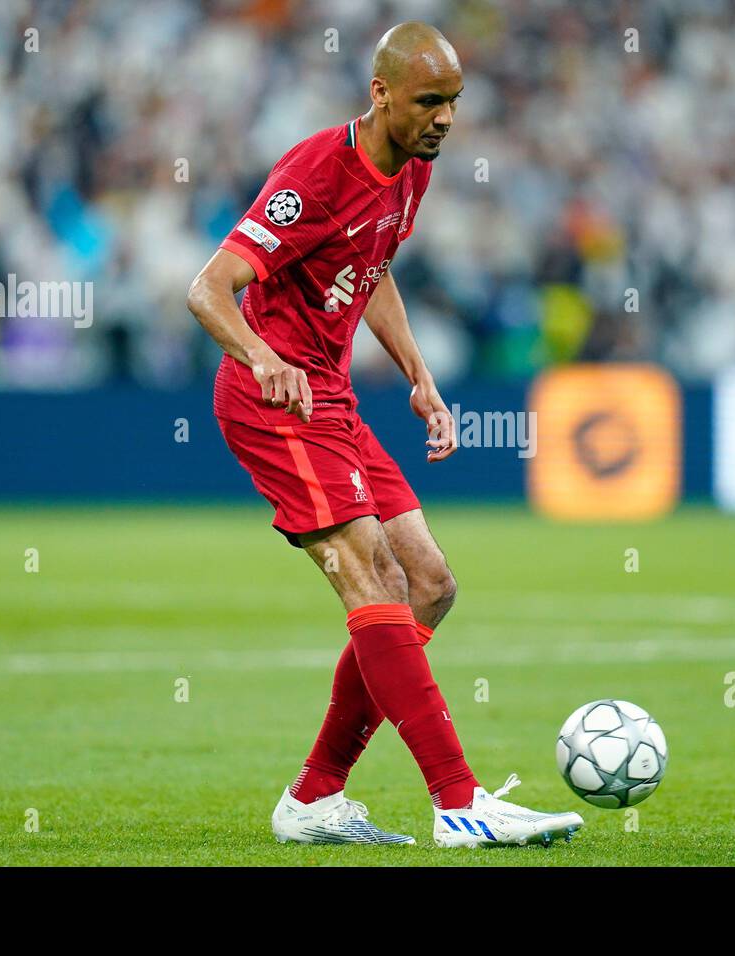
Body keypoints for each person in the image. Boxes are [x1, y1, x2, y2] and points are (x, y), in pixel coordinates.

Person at [185, 22, 583, 848]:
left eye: (454, 103)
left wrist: (417, 374)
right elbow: (208, 288)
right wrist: (263, 358)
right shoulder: (315, 173)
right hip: (275, 402)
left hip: (332, 398)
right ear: (382, 95)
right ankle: (459, 800)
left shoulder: (411, 172)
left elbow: (369, 270)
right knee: (371, 572)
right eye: (429, 101)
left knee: (430, 585)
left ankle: (312, 798)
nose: (444, 118)